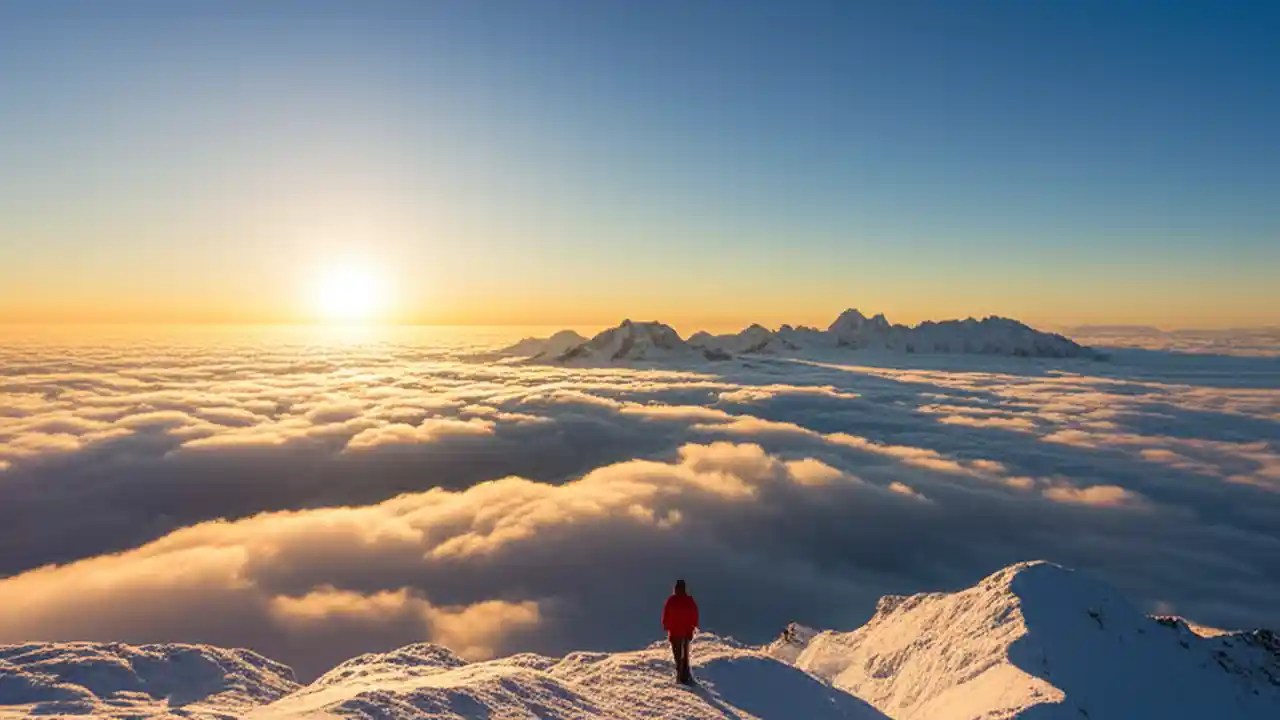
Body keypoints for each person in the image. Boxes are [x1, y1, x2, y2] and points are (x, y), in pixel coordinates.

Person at [661, 578, 699, 684]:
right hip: (686, 632)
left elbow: (666, 614)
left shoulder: (671, 600)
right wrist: (693, 627)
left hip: (674, 633)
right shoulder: (689, 600)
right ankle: (685, 675)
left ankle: (680, 675)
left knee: (677, 654)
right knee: (685, 654)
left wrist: (666, 626)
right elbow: (694, 615)